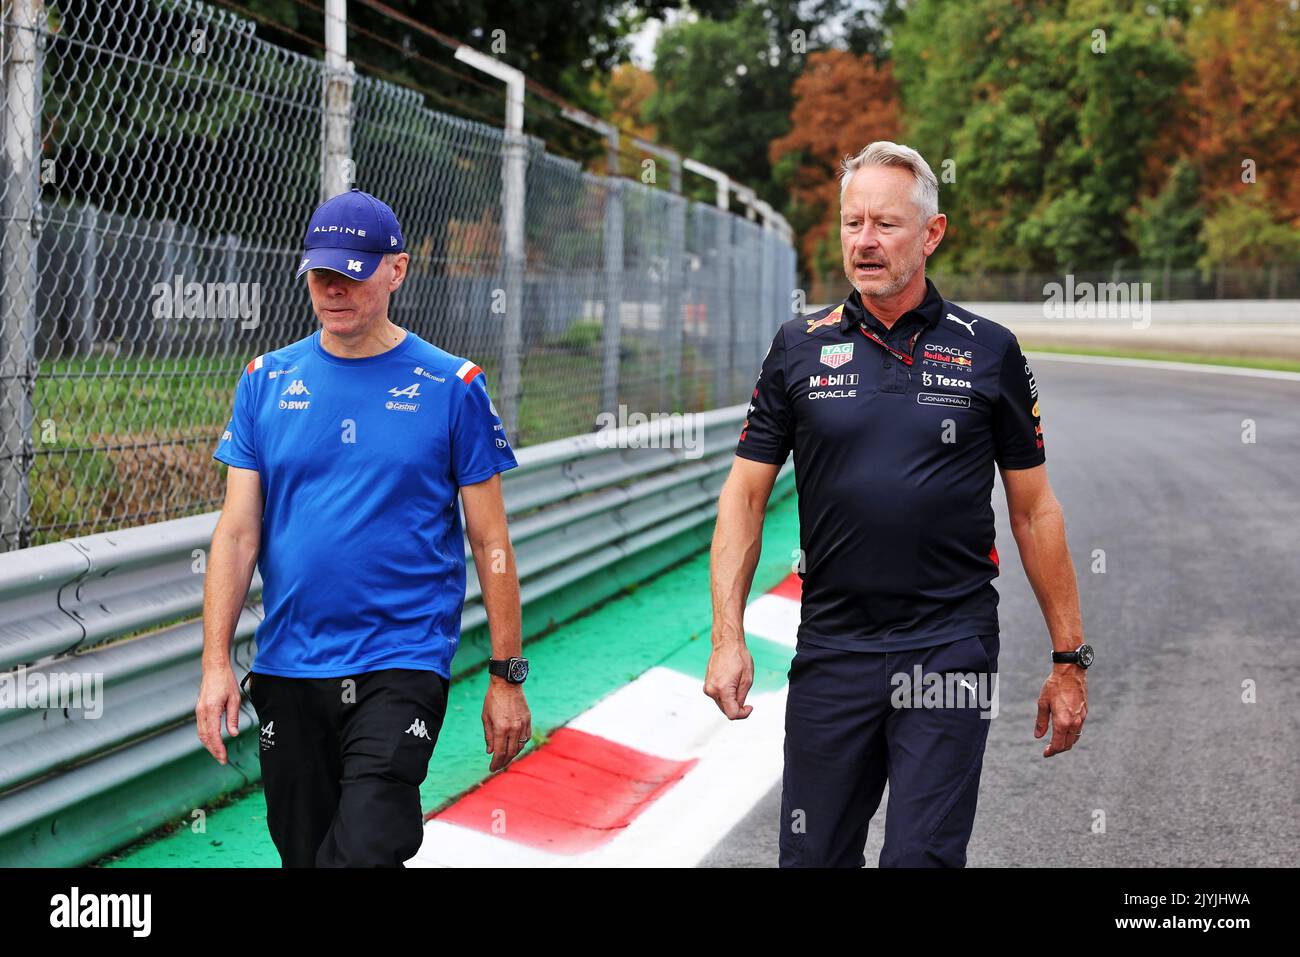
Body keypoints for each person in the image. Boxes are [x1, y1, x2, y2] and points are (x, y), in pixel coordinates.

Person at [704, 142, 1092, 868]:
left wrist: (1070, 657)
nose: (864, 241)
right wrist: (728, 635)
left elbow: (1035, 510)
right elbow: (745, 494)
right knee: (811, 857)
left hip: (949, 644)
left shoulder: (990, 351)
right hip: (833, 646)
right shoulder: (797, 347)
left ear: (932, 234)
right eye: (852, 223)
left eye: (884, 223)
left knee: (920, 858)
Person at [195, 188, 532, 867]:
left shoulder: (452, 385)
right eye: (321, 273)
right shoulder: (266, 379)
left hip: (401, 661)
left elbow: (490, 540)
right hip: (289, 665)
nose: (333, 288)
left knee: (370, 843)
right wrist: (214, 663)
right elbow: (236, 534)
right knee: (305, 852)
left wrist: (507, 674)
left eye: (352, 272)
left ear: (396, 270)